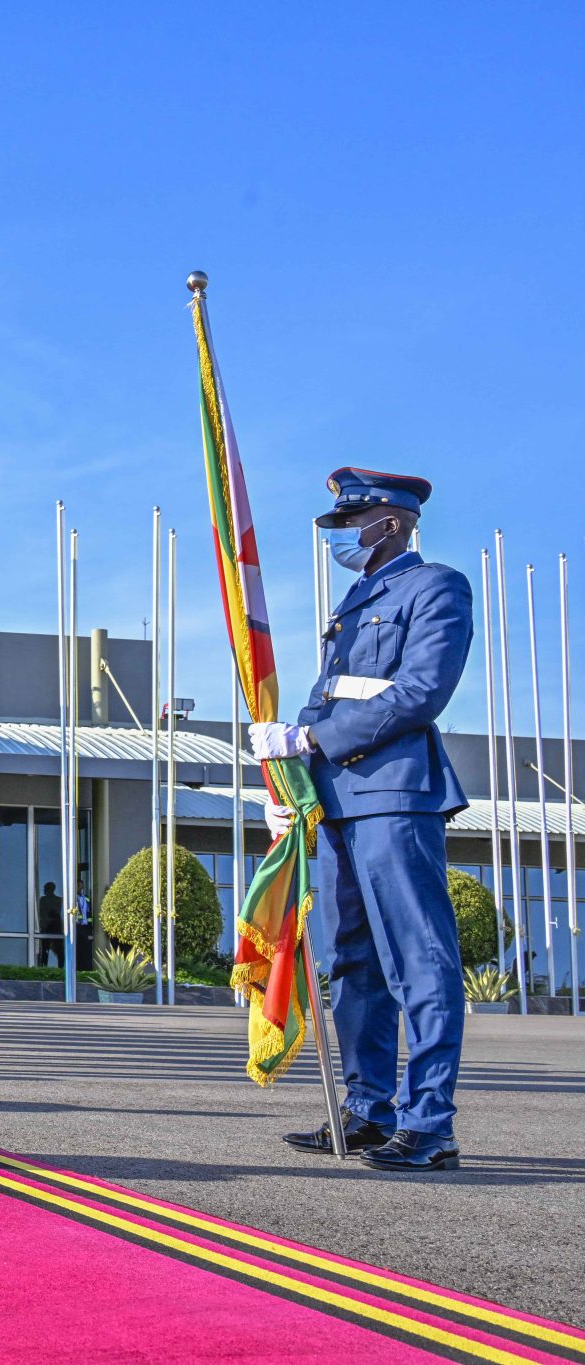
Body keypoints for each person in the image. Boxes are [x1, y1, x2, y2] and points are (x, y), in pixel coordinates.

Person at [253, 468, 472, 1174]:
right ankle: (369, 1108)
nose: (342, 535)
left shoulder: (437, 587)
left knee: (418, 958)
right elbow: (327, 701)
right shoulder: (352, 603)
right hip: (338, 802)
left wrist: (314, 741)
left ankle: (429, 1121)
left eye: (354, 521)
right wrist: (291, 778)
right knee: (350, 964)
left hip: (397, 795)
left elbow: (419, 692)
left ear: (396, 522)